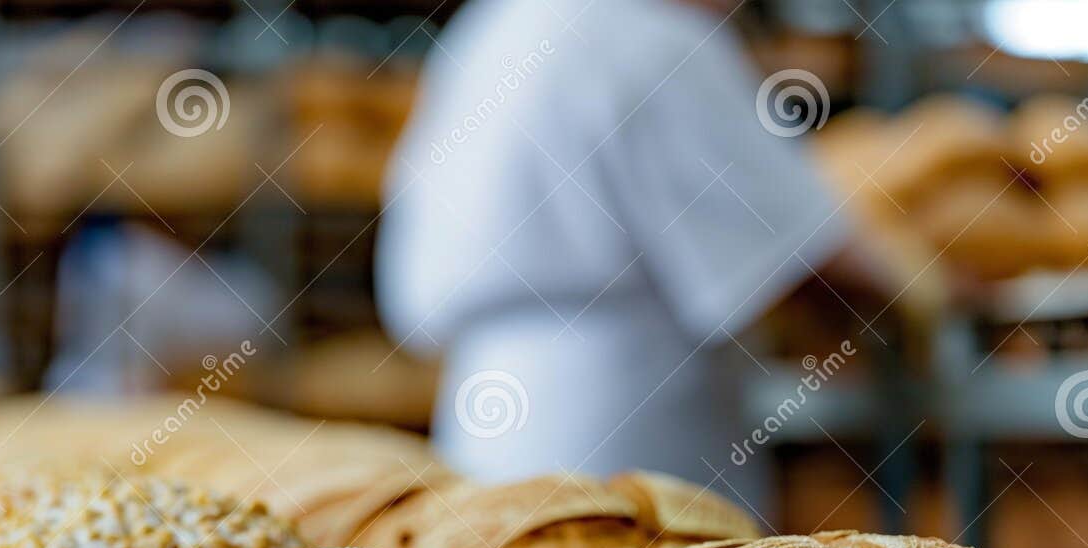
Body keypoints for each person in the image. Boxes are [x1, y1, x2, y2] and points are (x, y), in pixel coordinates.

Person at [377, 0, 921, 510]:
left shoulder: (499, 23)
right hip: (627, 424)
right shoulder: (656, 38)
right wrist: (927, 289)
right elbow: (807, 255)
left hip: (486, 424)